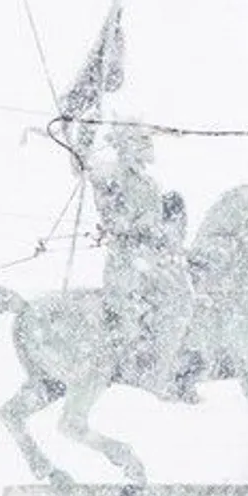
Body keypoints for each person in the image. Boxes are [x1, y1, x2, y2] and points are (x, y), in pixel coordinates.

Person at [88, 123, 198, 403]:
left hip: (151, 255)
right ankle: (146, 369)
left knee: (184, 293)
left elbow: (158, 222)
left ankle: (170, 365)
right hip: (128, 258)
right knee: (144, 306)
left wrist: (167, 229)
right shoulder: (113, 175)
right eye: (144, 141)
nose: (150, 148)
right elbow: (110, 214)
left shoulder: (149, 183)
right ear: (128, 145)